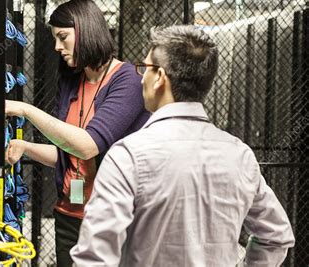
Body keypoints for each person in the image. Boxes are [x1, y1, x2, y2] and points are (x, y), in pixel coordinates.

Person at [70, 25, 295, 267]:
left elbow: (94, 257)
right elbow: (275, 237)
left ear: (159, 78)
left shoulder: (128, 155)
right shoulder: (240, 156)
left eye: (145, 69)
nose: (142, 76)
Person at [4, 0, 150, 267]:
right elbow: (69, 153)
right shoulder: (72, 81)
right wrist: (27, 148)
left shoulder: (128, 81)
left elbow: (87, 145)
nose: (57, 47)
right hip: (69, 217)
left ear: (85, 29)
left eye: (63, 37)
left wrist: (26, 109)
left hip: (113, 221)